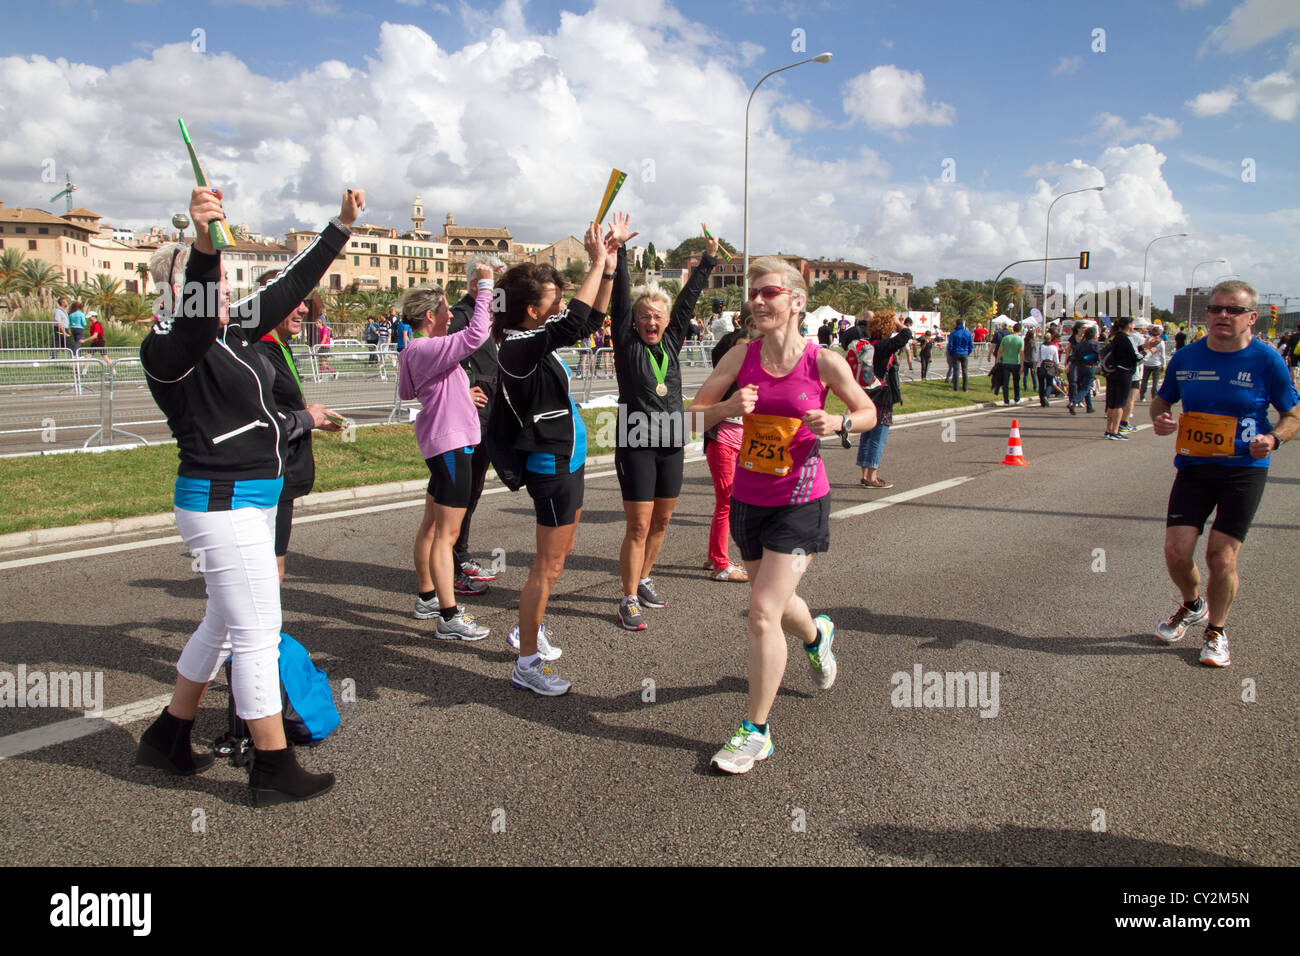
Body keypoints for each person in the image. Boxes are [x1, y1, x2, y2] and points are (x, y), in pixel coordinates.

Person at [135, 185, 363, 805]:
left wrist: (339, 228)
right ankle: (272, 764)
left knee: (225, 623)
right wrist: (205, 244)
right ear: (176, 293)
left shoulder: (234, 330)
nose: (229, 294)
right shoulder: (170, 349)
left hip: (250, 500)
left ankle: (168, 734)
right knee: (259, 632)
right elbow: (197, 310)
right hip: (221, 500)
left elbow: (291, 285)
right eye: (210, 284)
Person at [688, 256, 876, 774]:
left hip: (800, 499)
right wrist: (729, 408)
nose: (757, 301)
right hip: (751, 500)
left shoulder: (824, 361)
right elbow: (694, 408)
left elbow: (869, 412)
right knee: (776, 602)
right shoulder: (741, 356)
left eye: (768, 292)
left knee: (762, 612)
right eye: (753, 294)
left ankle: (757, 731)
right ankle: (817, 636)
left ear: (796, 302)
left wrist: (839, 421)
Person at [490, 223, 613, 694]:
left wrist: (610, 268)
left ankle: (529, 627)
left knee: (559, 558)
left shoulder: (533, 336)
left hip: (570, 459)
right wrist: (597, 261)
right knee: (548, 565)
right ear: (530, 309)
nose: (560, 304)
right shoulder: (518, 346)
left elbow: (586, 321)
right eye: (553, 298)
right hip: (552, 464)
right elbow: (576, 321)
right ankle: (525, 663)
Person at [1150, 281, 1299, 666]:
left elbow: (1293, 414)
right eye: (1216, 309)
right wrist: (1161, 420)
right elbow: (1162, 400)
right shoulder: (1186, 357)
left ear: (1252, 318)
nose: (1222, 316)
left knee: (1221, 557)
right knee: (1176, 551)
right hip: (1195, 467)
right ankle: (1192, 603)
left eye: (1233, 310)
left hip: (1244, 470)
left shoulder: (1267, 361)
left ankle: (1216, 630)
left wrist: (1274, 439)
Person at [608, 216, 716, 630]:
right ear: (635, 320)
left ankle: (645, 577)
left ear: (667, 320)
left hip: (671, 438)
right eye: (645, 316)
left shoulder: (672, 339)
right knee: (637, 524)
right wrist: (618, 251)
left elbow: (687, 299)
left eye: (658, 316)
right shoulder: (626, 340)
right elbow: (620, 296)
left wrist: (707, 260)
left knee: (662, 520)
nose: (651, 322)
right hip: (635, 439)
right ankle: (628, 596)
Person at [400, 266, 496, 640]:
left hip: (440, 444)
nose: (451, 315)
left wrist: (458, 393)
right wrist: (485, 286)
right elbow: (476, 334)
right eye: (445, 311)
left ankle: (426, 597)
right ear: (430, 316)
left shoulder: (415, 350)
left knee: (431, 525)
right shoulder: (429, 347)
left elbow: (412, 391)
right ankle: (449, 614)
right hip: (453, 447)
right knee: (446, 536)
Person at [253, 273, 343, 582]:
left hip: (282, 472)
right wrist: (309, 418)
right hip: (269, 474)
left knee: (273, 563)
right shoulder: (258, 351)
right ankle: (262, 632)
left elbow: (281, 406)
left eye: (305, 302)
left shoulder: (279, 345)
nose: (304, 310)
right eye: (295, 302)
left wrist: (314, 419)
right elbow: (260, 421)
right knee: (271, 567)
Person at [445, 254, 506, 594]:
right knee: (460, 491)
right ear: (476, 283)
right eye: (495, 282)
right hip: (471, 414)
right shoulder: (460, 315)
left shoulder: (495, 316)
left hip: (492, 412)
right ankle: (451, 565)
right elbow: (442, 355)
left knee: (475, 489)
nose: (501, 289)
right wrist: (463, 386)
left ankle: (461, 553)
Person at [702, 303, 755, 583]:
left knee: (728, 502)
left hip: (741, 440)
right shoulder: (725, 380)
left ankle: (715, 555)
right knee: (727, 502)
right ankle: (721, 564)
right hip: (723, 440)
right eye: (742, 349)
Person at [856, 310, 911, 489]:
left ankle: (865, 474)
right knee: (878, 435)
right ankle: (872, 477)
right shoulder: (885, 345)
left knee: (867, 433)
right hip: (881, 393)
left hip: (866, 393)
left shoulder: (868, 344)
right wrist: (896, 321)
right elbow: (907, 334)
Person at [1102, 317, 1140, 440]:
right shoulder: (1127, 338)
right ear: (1129, 325)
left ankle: (1109, 430)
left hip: (1112, 372)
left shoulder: (1115, 337)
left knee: (1112, 403)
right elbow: (1137, 357)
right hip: (1124, 373)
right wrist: (1149, 351)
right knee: (1120, 404)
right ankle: (1115, 431)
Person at [1068, 326, 1100, 414]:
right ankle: (1074, 402)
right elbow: (1096, 356)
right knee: (1085, 387)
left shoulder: (1080, 344)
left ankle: (1089, 407)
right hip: (1089, 366)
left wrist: (1070, 364)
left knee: (1084, 387)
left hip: (1079, 367)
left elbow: (1074, 356)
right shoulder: (1095, 344)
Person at [1138, 324, 1166, 402]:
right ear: (1159, 333)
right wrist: (1164, 364)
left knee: (1144, 381)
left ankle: (1142, 396)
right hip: (1156, 363)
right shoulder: (1161, 342)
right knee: (1155, 382)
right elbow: (1163, 355)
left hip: (1147, 363)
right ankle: (1154, 397)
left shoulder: (1148, 340)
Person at [998, 322, 1024, 405]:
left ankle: (1006, 401)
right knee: (1016, 382)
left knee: (1005, 382)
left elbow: (1000, 350)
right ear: (1020, 330)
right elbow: (1021, 353)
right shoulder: (1020, 340)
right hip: (1015, 363)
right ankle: (1017, 399)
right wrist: (1022, 365)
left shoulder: (1005, 338)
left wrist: (998, 360)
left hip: (1006, 362)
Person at [947, 318, 972, 391]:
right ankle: (965, 388)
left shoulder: (954, 333)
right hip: (965, 353)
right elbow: (970, 345)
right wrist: (968, 352)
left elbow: (950, 345)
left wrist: (950, 354)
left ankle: (956, 388)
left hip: (955, 353)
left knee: (956, 371)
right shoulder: (968, 333)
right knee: (965, 371)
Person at [1036, 330, 1060, 408]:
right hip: (1050, 367)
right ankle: (1046, 396)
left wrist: (1035, 367)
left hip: (1041, 367)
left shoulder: (1040, 347)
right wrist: (1058, 369)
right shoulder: (1054, 347)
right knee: (1049, 383)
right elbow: (1056, 360)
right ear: (1051, 338)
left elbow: (1037, 359)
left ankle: (1042, 401)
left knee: (1041, 384)